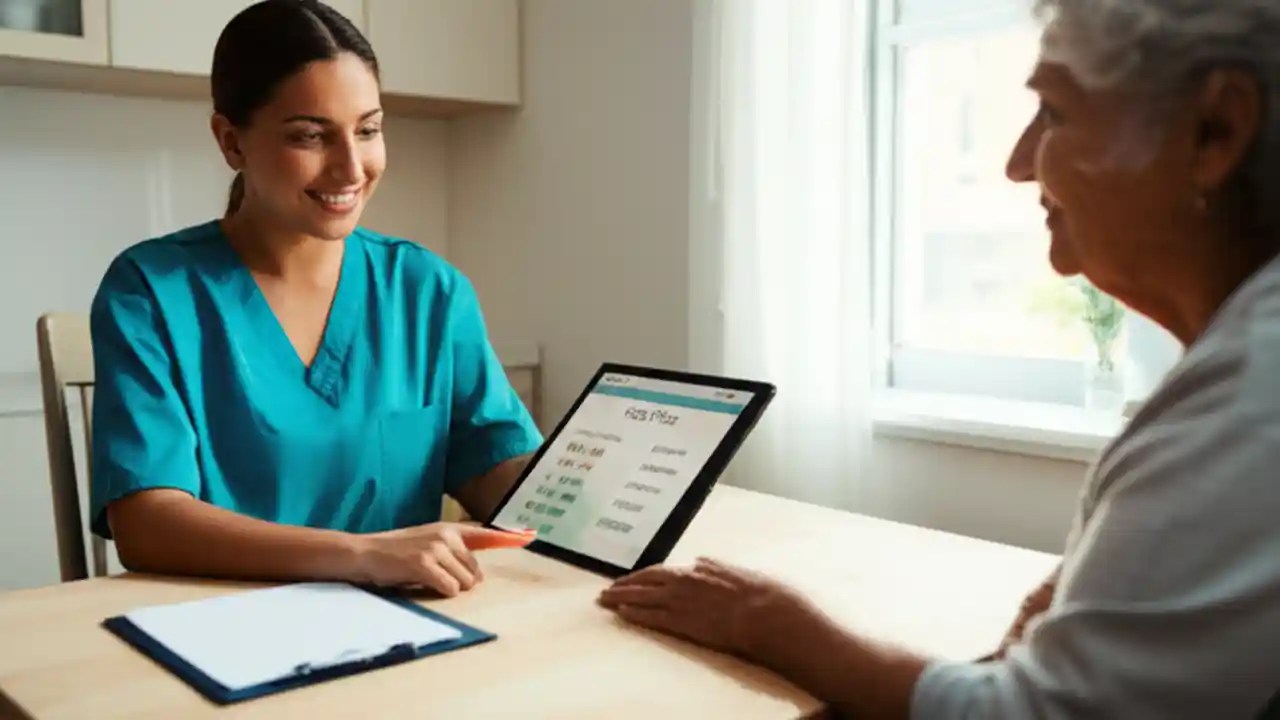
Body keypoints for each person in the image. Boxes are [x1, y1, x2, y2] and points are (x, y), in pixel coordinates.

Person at [599, 0, 1280, 717]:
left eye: (1053, 112)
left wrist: (768, 622)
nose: (1018, 164)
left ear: (1214, 131)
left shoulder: (1247, 402)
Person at [89, 0, 540, 598]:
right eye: (310, 136)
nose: (351, 168)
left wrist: (603, 486)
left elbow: (497, 472)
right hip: (219, 622)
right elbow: (147, 522)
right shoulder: (151, 290)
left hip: (410, 625)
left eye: (368, 130)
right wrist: (362, 555)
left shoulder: (428, 290)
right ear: (231, 141)